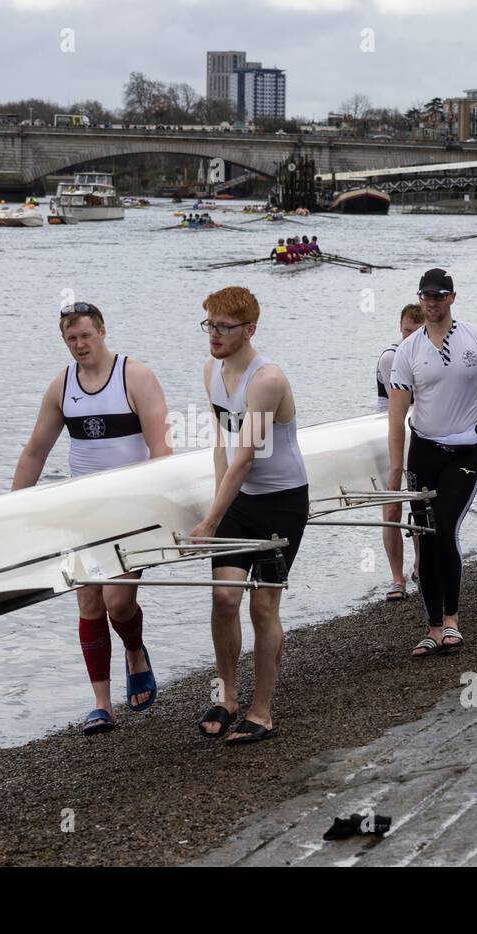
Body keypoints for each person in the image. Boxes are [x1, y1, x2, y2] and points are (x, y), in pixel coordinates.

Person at [12, 302, 171, 734]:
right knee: (88, 599)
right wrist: (11, 512)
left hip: (131, 508)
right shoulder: (62, 386)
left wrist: (160, 506)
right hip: (82, 512)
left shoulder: (135, 376)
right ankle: (102, 703)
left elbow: (161, 449)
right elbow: (34, 452)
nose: (79, 345)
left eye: (85, 335)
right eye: (71, 339)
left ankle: (135, 652)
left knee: (118, 601)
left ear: (102, 331)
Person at [387, 268, 477, 658]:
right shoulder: (407, 350)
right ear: (420, 299)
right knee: (426, 535)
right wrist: (395, 471)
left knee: (445, 527)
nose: (432, 302)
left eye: (439, 295)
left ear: (452, 297)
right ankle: (432, 626)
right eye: (426, 296)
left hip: (465, 450)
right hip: (424, 450)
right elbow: (396, 417)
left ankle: (452, 620)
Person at [193, 286, 309, 744]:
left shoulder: (267, 380)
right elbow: (223, 445)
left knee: (263, 606)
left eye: (223, 327)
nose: (214, 335)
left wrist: (207, 524)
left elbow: (246, 457)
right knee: (224, 599)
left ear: (249, 330)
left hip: (282, 501)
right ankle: (227, 697)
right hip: (239, 498)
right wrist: (219, 509)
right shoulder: (212, 372)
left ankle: (262, 711)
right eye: (209, 325)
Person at [376, 304, 424, 601]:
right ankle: (397, 577)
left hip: (420, 432)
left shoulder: (430, 354)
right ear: (400, 327)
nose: (410, 338)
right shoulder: (390, 358)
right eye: (406, 331)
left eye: (416, 333)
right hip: (391, 432)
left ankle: (420, 564)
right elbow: (401, 402)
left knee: (420, 505)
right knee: (392, 508)